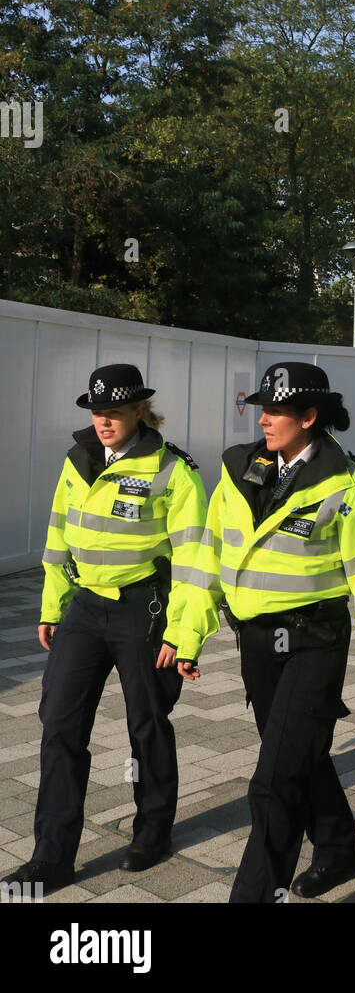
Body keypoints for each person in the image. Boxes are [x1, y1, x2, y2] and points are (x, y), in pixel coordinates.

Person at [172, 360, 355, 903]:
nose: (264, 420)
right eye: (262, 409)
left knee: (274, 783)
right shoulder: (236, 473)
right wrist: (189, 634)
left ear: (309, 416)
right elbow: (208, 559)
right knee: (299, 756)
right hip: (256, 642)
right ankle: (339, 846)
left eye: (276, 410)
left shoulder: (345, 484)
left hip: (313, 641)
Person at [6, 363, 207, 894]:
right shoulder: (76, 462)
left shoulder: (173, 471)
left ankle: (153, 831)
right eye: (97, 412)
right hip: (86, 610)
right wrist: (53, 607)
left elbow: (194, 564)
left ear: (139, 410)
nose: (104, 422)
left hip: (145, 609)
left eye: (114, 412)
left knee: (147, 724)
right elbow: (57, 539)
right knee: (60, 727)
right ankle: (51, 858)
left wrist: (184, 635)